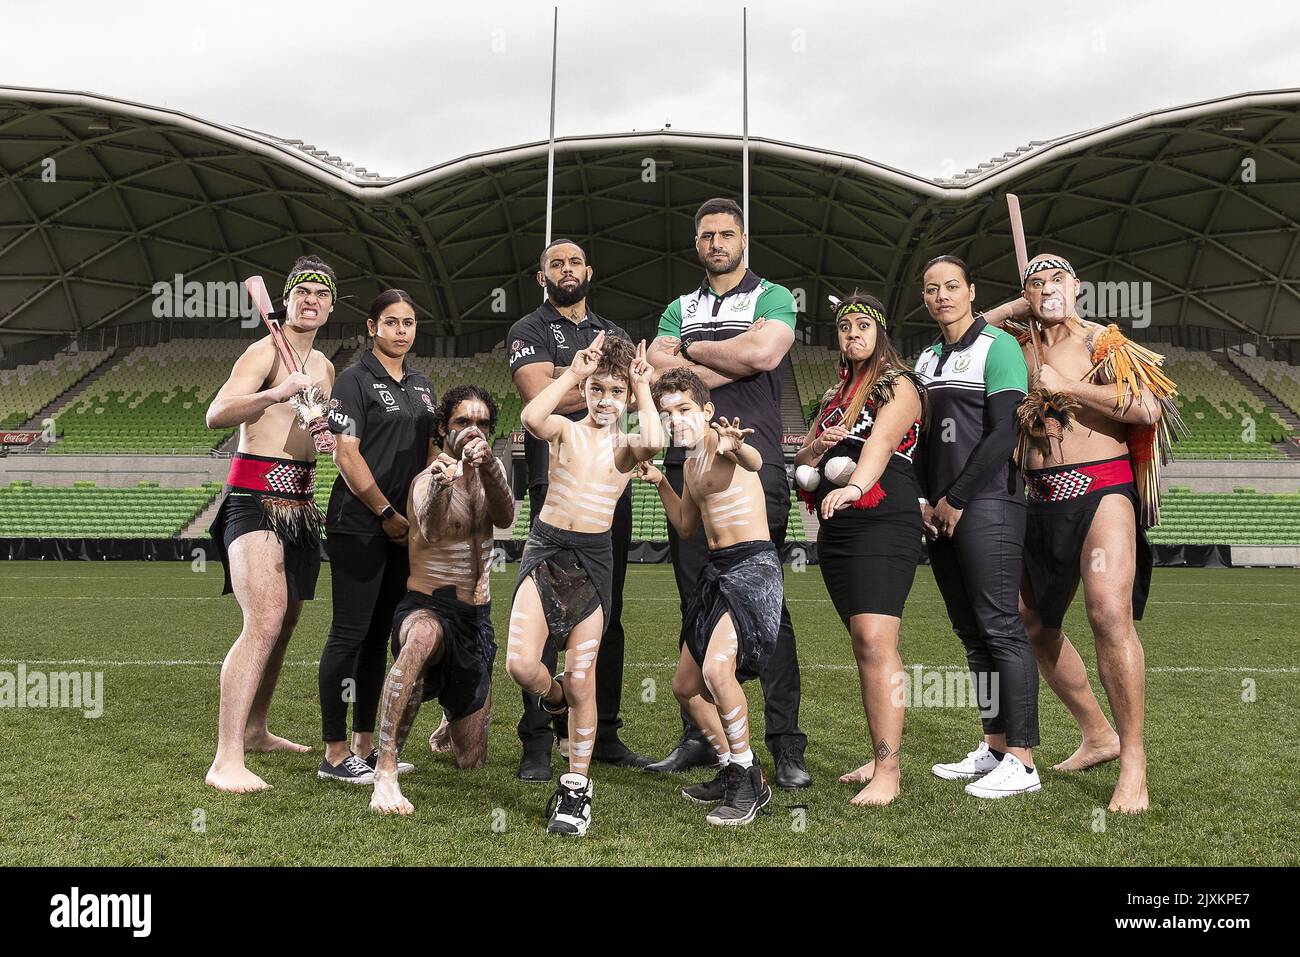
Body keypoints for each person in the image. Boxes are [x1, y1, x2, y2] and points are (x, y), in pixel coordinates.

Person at [646, 197, 809, 789]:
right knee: (696, 601)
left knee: (768, 608)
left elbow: (764, 354)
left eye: (727, 234)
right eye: (707, 235)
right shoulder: (679, 305)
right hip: (690, 458)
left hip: (751, 462)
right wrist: (729, 359)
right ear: (697, 244)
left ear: (744, 238)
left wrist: (689, 356)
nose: (717, 243)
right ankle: (705, 741)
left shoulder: (773, 296)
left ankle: (786, 745)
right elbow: (665, 380)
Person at [1003, 253, 1169, 813]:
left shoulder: (1104, 342)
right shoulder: (1012, 347)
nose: (1047, 289)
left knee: (1107, 612)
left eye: (1057, 280)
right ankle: (1098, 734)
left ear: (1078, 288)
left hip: (1102, 490)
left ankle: (1134, 764)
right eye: (1035, 281)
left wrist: (1070, 387)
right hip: (1038, 499)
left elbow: (1147, 406)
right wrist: (1017, 311)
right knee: (1032, 625)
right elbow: (966, 327)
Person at [506, 333, 662, 835]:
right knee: (520, 664)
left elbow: (656, 441)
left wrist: (642, 388)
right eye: (598, 389)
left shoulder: (626, 446)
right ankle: (551, 700)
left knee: (581, 679)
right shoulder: (565, 431)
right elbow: (531, 418)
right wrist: (572, 373)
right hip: (546, 547)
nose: (604, 400)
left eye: (615, 392)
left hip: (593, 559)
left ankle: (575, 787)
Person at [506, 239, 650, 779]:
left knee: (605, 617)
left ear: (590, 271)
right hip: (556, 481)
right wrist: (594, 385)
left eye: (574, 263)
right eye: (555, 264)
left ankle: (601, 732)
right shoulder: (529, 329)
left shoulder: (611, 332)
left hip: (608, 481)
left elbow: (636, 398)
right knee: (538, 625)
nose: (567, 271)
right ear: (541, 274)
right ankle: (538, 742)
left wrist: (611, 388)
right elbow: (535, 397)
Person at [203, 256, 337, 793]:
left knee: (284, 627)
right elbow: (217, 413)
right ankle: (225, 760)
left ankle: (257, 730)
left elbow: (309, 429)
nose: (310, 300)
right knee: (263, 620)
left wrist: (322, 429)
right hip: (253, 500)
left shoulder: (324, 367)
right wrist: (276, 394)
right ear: (285, 300)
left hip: (302, 505)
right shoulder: (263, 352)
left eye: (320, 294)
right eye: (301, 291)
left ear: (331, 305)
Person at [912, 255, 1041, 800]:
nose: (941, 296)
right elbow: (914, 437)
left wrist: (958, 498)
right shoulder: (925, 357)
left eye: (951, 286)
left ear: (971, 290)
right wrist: (923, 500)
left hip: (988, 502)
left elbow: (1002, 433)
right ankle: (993, 748)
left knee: (1000, 626)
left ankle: (1024, 761)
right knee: (970, 632)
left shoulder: (1000, 347)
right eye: (931, 289)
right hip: (936, 510)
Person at [794, 293, 926, 807]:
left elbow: (881, 443)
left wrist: (854, 486)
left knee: (876, 640)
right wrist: (820, 445)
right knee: (862, 642)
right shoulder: (833, 393)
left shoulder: (899, 382)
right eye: (844, 326)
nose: (852, 333)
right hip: (840, 520)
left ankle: (889, 770)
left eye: (861, 326)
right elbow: (803, 453)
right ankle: (877, 755)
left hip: (882, 510)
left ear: (880, 332)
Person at [636, 369, 779, 825]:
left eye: (684, 410)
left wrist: (737, 444)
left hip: (752, 567)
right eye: (666, 413)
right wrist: (660, 480)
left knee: (717, 669)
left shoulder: (721, 444)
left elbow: (753, 460)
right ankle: (736, 768)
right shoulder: (691, 465)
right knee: (685, 688)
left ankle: (745, 779)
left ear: (707, 411)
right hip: (716, 572)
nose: (675, 420)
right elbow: (684, 526)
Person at [369, 387, 513, 815]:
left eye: (482, 423)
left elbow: (505, 518)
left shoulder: (492, 472)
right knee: (422, 638)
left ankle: (450, 722)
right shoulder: (426, 478)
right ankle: (385, 769)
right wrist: (441, 486)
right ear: (442, 429)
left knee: (472, 763)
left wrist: (490, 470)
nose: (473, 431)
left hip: (475, 618)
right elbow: (430, 529)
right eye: (462, 423)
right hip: (426, 604)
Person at [316, 289, 438, 784]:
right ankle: (334, 754)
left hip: (404, 530)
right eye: (391, 322)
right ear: (372, 327)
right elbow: (347, 453)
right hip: (360, 525)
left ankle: (365, 747)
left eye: (409, 322)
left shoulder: (422, 385)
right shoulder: (353, 380)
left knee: (376, 640)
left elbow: (430, 450)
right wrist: (386, 511)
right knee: (348, 636)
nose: (401, 331)